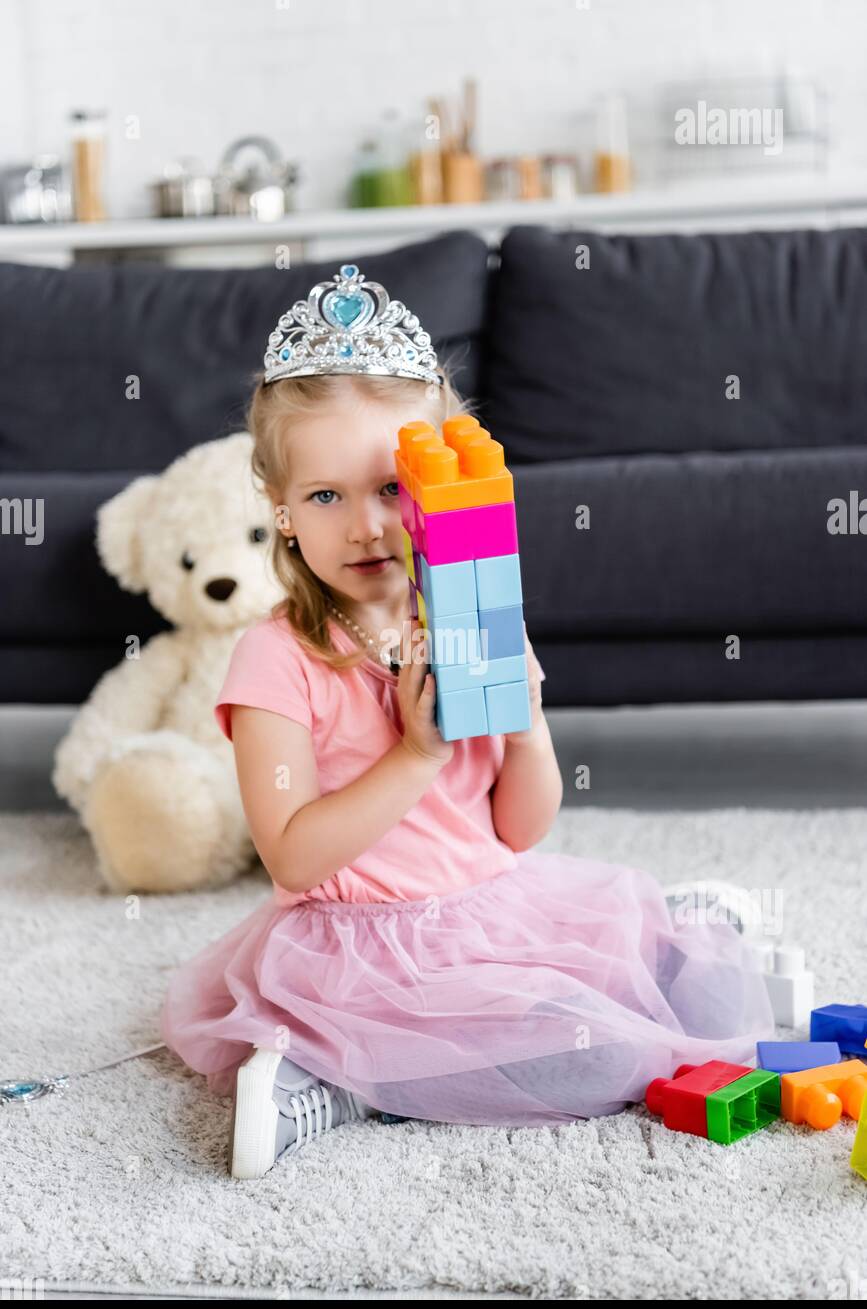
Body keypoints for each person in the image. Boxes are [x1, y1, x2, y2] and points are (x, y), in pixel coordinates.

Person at [159, 262, 775, 1179]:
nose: (367, 526)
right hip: (357, 948)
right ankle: (332, 1081)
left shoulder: (472, 615)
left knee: (691, 1000)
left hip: (492, 907)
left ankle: (653, 923)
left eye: (389, 489)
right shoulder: (276, 659)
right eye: (327, 497)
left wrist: (524, 724)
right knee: (601, 1060)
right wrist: (412, 756)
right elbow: (290, 855)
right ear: (282, 514)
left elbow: (518, 828)